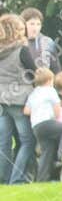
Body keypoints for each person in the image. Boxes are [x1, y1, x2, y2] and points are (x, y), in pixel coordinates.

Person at [0, 13, 39, 184]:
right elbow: (34, 72)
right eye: (21, 29)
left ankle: (4, 178)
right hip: (19, 101)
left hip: (1, 101)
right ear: (15, 31)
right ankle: (16, 180)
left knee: (4, 143)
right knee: (28, 140)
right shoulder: (22, 50)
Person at [24, 65, 62, 181]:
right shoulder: (50, 91)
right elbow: (57, 110)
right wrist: (57, 117)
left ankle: (42, 179)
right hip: (47, 122)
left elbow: (26, 111)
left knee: (47, 151)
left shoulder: (34, 93)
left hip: (36, 126)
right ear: (49, 80)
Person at [21, 8, 60, 73]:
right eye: (32, 24)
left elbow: (55, 67)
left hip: (44, 80)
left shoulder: (47, 42)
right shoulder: (16, 43)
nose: (35, 28)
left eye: (38, 24)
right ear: (23, 24)